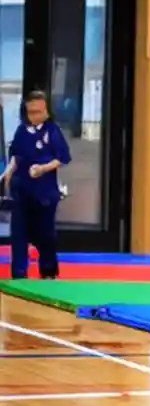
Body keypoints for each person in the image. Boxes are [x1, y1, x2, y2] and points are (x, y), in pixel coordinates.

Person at [0, 91, 70, 280]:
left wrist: (43, 168)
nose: (35, 116)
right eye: (31, 112)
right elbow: (16, 156)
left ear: (47, 110)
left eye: (39, 112)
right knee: (19, 235)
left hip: (45, 193)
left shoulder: (53, 131)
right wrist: (7, 172)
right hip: (22, 191)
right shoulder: (22, 131)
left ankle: (48, 272)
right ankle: (19, 274)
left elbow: (62, 158)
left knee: (45, 235)